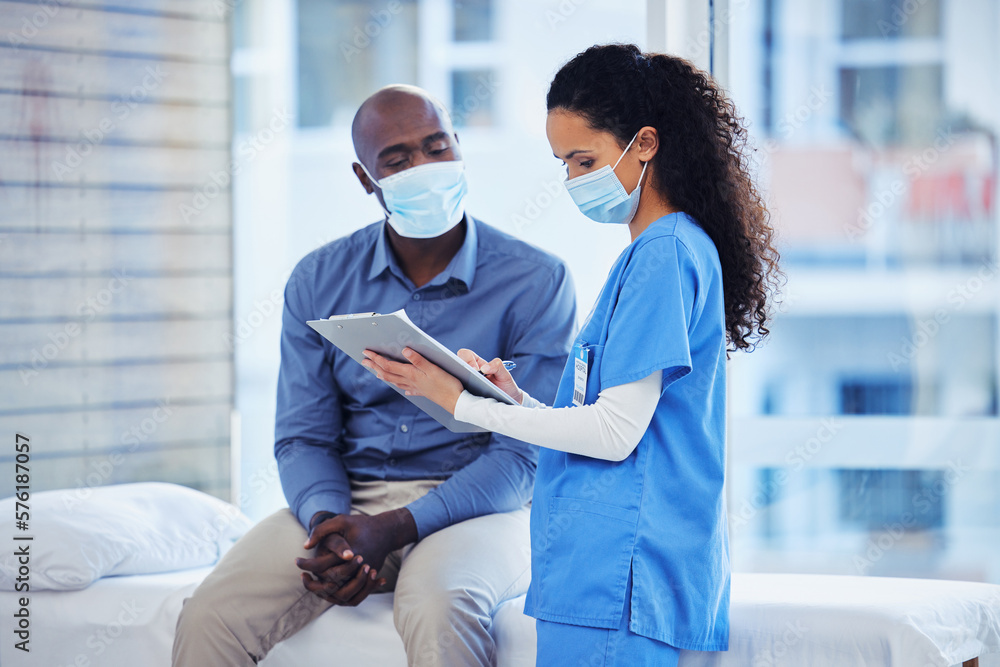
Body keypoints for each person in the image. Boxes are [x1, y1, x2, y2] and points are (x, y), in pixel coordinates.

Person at [361, 45, 782, 666]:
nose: (572, 181)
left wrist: (462, 405)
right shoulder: (658, 252)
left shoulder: (664, 256)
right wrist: (514, 400)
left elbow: (613, 434)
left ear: (645, 144)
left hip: (619, 578)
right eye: (564, 164)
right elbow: (615, 415)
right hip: (608, 575)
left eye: (585, 160)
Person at [171, 84, 577, 666]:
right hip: (349, 500)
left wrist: (396, 526)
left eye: (437, 148)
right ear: (367, 179)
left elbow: (523, 455)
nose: (425, 167)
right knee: (210, 613)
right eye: (398, 159)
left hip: (482, 505)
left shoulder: (536, 281)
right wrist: (326, 524)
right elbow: (303, 436)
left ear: (459, 148)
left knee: (441, 604)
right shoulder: (319, 279)